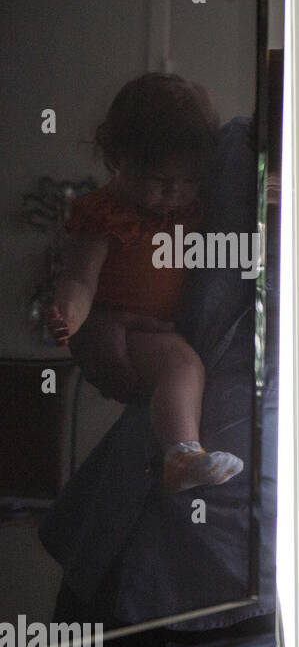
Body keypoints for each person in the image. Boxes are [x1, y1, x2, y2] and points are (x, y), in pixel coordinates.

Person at [44, 72, 243, 494]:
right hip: (125, 328)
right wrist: (70, 315)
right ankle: (182, 454)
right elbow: (81, 277)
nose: (174, 193)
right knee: (183, 366)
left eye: (188, 181)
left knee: (181, 367)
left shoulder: (190, 210)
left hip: (158, 327)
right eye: (159, 180)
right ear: (119, 157)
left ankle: (177, 452)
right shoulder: (104, 214)